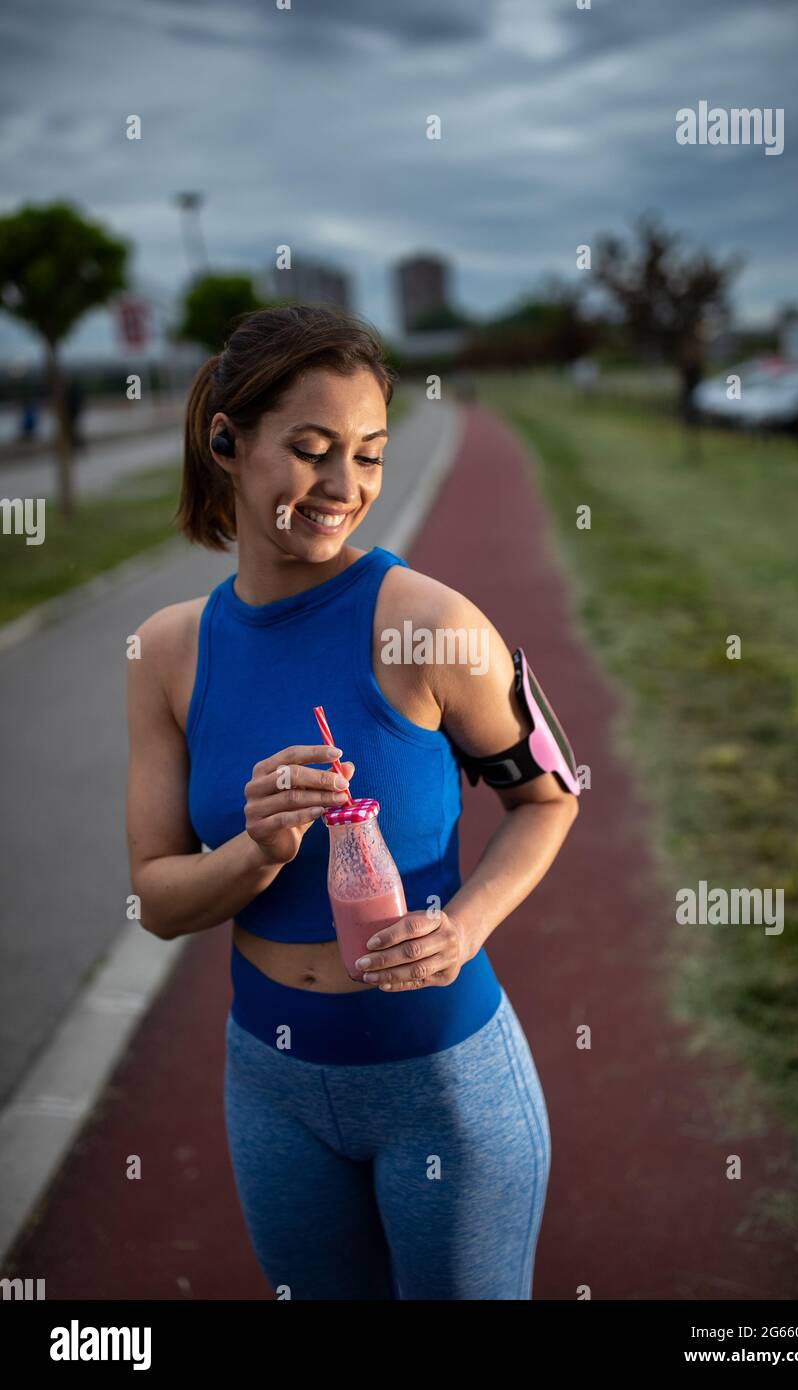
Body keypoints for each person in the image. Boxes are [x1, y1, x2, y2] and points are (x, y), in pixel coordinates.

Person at [125, 304, 579, 1301]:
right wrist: (253, 851)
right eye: (311, 449)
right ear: (225, 441)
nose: (343, 488)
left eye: (369, 455)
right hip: (272, 1086)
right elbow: (157, 900)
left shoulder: (431, 622)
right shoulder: (165, 652)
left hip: (442, 1081)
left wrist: (461, 927)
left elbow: (549, 800)